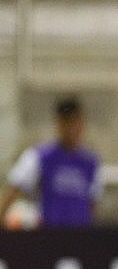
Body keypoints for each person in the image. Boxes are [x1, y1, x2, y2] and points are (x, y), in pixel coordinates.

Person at [0, 97, 102, 228]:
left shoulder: (90, 162)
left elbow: (93, 203)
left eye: (77, 123)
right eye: (68, 122)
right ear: (59, 123)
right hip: (49, 236)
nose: (73, 129)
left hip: (80, 237)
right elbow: (13, 190)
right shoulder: (39, 157)